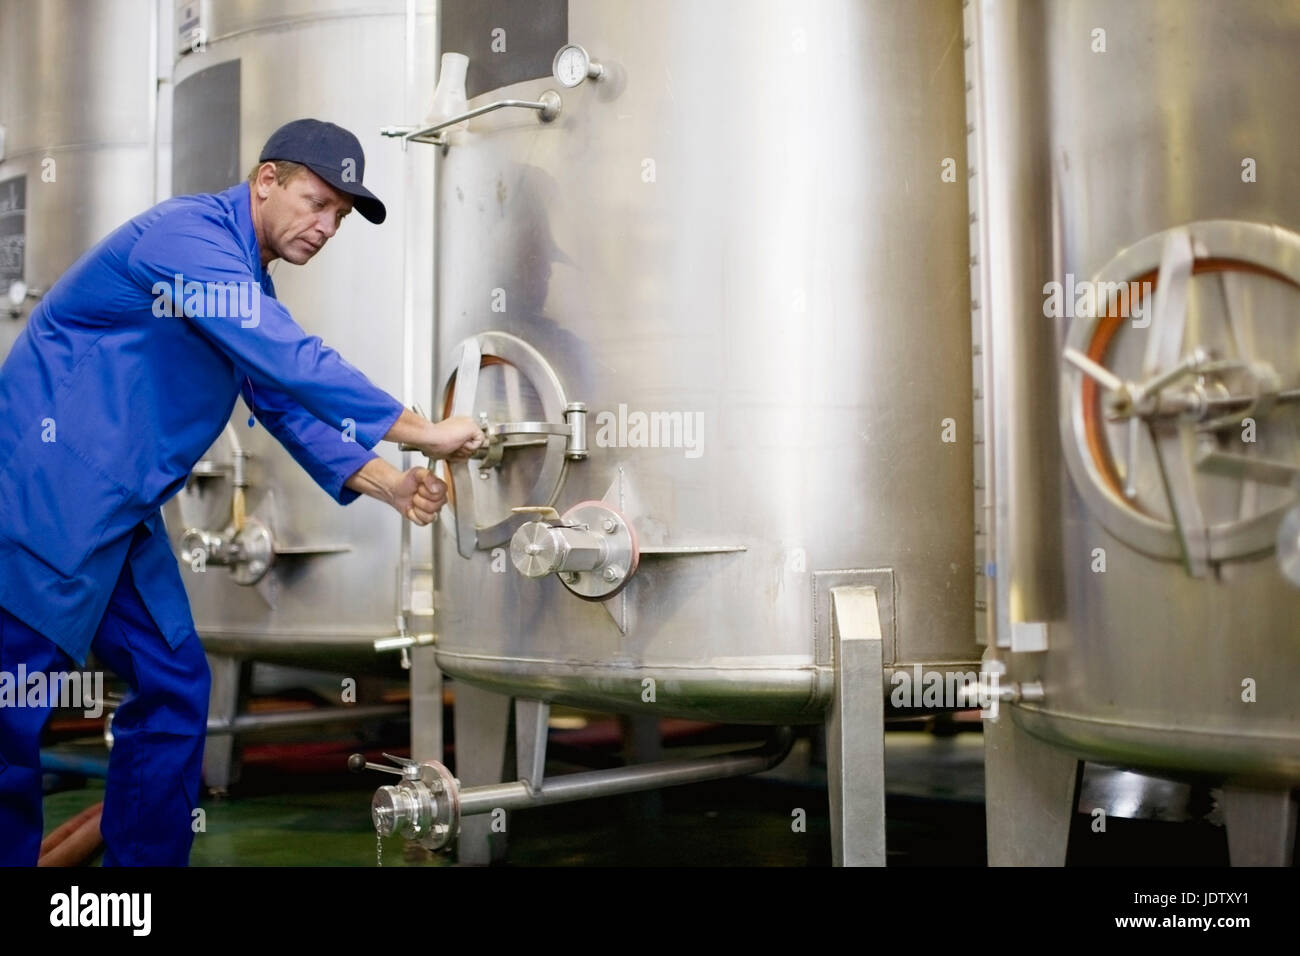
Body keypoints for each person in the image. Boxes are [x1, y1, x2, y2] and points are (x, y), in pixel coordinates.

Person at [0, 118, 484, 865]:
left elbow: (281, 398)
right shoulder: (186, 238)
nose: (325, 228)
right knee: (14, 705)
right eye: (315, 202)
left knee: (174, 684)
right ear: (266, 181)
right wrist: (421, 430)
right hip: (44, 494)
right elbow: (289, 357)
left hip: (118, 514)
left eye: (339, 218)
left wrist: (390, 482)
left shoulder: (241, 277)